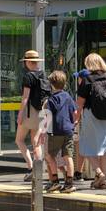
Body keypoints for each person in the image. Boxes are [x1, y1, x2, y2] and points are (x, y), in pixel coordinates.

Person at [75, 53, 106, 190]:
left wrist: (75, 118)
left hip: (92, 116)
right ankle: (102, 179)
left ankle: (100, 173)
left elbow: (79, 104)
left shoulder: (87, 79)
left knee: (86, 146)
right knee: (105, 148)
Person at [15, 50, 49, 180]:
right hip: (42, 111)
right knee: (36, 142)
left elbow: (25, 97)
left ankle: (30, 167)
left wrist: (20, 114)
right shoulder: (43, 75)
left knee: (19, 140)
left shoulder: (28, 76)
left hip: (30, 112)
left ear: (28, 62)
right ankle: (38, 169)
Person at [43, 70, 78, 193]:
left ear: (51, 84)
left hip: (55, 131)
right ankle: (69, 183)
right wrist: (74, 124)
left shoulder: (50, 100)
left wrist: (42, 133)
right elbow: (75, 113)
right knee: (68, 156)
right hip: (68, 131)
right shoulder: (68, 97)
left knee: (49, 156)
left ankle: (55, 181)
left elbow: (47, 118)